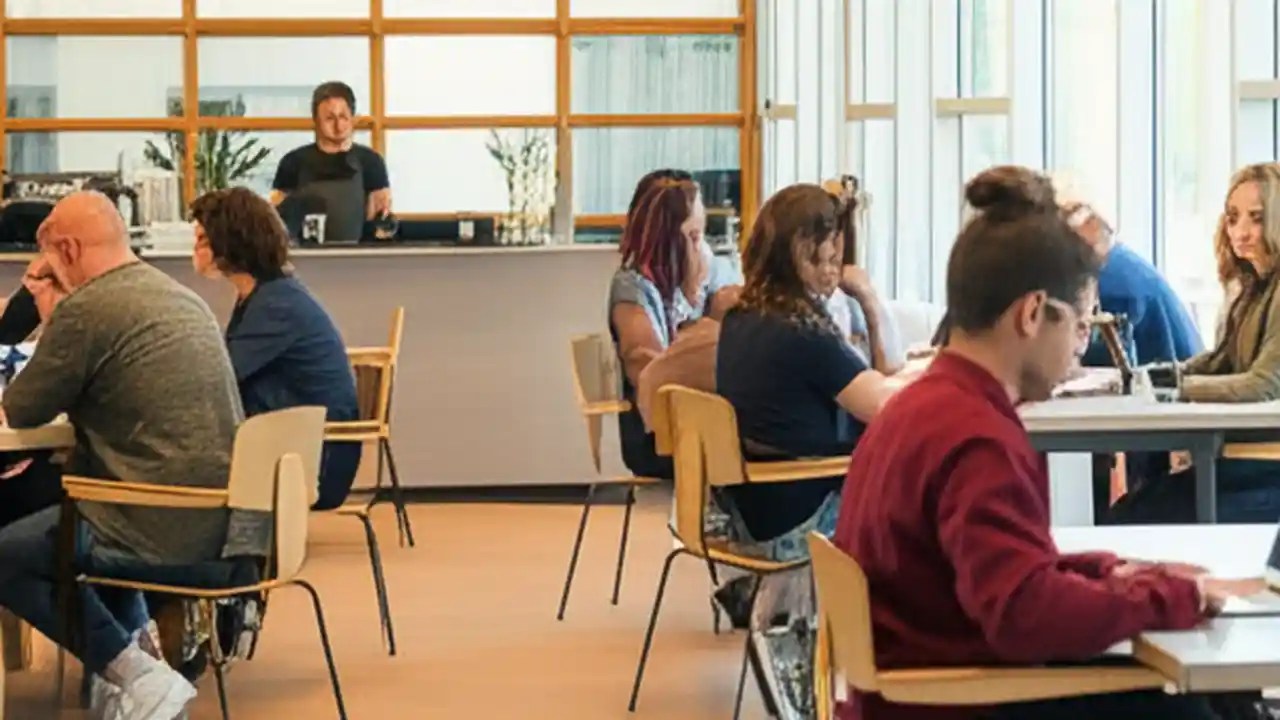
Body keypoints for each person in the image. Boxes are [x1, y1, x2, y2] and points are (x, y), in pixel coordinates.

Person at [833, 165, 1265, 720]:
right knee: (1194, 706)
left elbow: (1006, 572)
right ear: (1033, 314)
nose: (1081, 349)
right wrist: (1167, 596)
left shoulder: (919, 409)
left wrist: (1111, 572)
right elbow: (1023, 614)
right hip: (960, 701)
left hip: (915, 690)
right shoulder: (978, 437)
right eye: (1082, 325)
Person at [0, 191, 244, 719]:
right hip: (226, 518)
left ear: (66, 249)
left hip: (155, 521)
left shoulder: (89, 307)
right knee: (76, 498)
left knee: (9, 555)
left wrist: (53, 310)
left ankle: (138, 676)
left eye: (48, 263)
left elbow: (20, 409)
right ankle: (134, 673)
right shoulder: (176, 294)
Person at [714, 183, 896, 717]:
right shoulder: (802, 331)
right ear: (800, 253)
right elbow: (881, 403)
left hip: (755, 506)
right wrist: (870, 300)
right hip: (798, 514)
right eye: (827, 257)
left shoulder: (744, 317)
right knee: (916, 506)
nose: (834, 271)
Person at [1109, 162, 1280, 525]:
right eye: (1233, 218)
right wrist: (1157, 376)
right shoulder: (1254, 287)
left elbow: (1263, 384)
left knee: (1135, 515)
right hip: (1249, 457)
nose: (1241, 232)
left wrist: (1175, 388)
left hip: (1267, 463)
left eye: (1257, 218)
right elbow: (1222, 360)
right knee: (1135, 508)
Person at [191, 187, 361, 510]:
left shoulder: (275, 305)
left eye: (202, 239)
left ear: (231, 243)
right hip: (308, 445)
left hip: (316, 461)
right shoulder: (266, 294)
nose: (196, 248)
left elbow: (219, 377)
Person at [608, 177, 711, 480]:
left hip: (682, 424)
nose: (701, 248)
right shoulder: (633, 288)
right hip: (655, 437)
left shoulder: (675, 284)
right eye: (693, 237)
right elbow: (651, 375)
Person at [271, 81, 391, 244]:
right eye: (329, 118)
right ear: (316, 120)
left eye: (343, 117)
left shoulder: (371, 161)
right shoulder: (292, 162)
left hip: (358, 257)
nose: (338, 125)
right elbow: (275, 221)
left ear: (353, 118)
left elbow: (379, 221)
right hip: (305, 258)